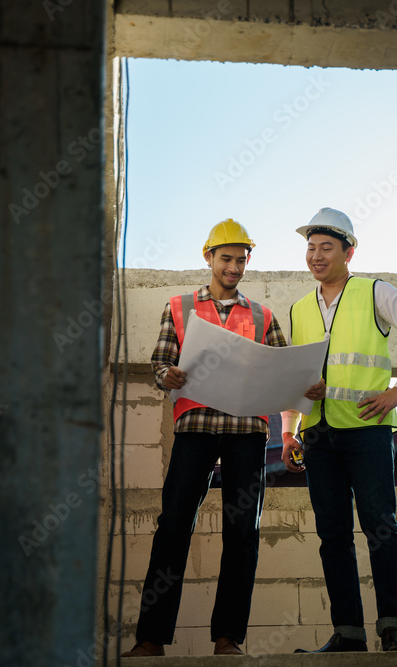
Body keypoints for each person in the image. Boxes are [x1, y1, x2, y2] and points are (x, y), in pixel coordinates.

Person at [122, 219, 289, 657]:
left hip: (246, 433)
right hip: (195, 428)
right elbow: (160, 363)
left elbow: (282, 372)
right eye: (226, 258)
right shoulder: (178, 306)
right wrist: (168, 374)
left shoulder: (262, 316)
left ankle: (227, 638)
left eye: (241, 259)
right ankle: (150, 638)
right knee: (173, 526)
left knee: (242, 532)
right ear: (209, 257)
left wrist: (300, 387)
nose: (234, 267)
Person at [282, 208, 397, 653]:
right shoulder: (298, 309)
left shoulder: (373, 291)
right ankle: (348, 635)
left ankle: (393, 631)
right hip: (317, 435)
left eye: (326, 247)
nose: (316, 256)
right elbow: (296, 375)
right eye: (310, 248)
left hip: (366, 430)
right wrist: (290, 431)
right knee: (332, 535)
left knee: (380, 526)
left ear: (349, 252)